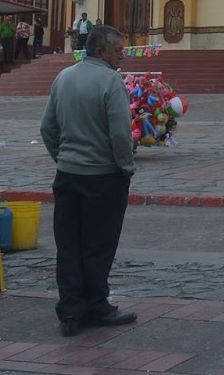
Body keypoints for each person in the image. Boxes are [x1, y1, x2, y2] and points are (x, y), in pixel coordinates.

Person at [39, 24, 137, 336]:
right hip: (103, 177)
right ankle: (96, 306)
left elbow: (47, 128)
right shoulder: (111, 81)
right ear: (99, 51)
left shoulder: (63, 77)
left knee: (68, 244)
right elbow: (120, 133)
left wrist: (63, 157)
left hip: (67, 176)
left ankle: (70, 311)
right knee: (98, 245)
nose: (122, 56)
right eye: (117, 50)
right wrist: (126, 166)